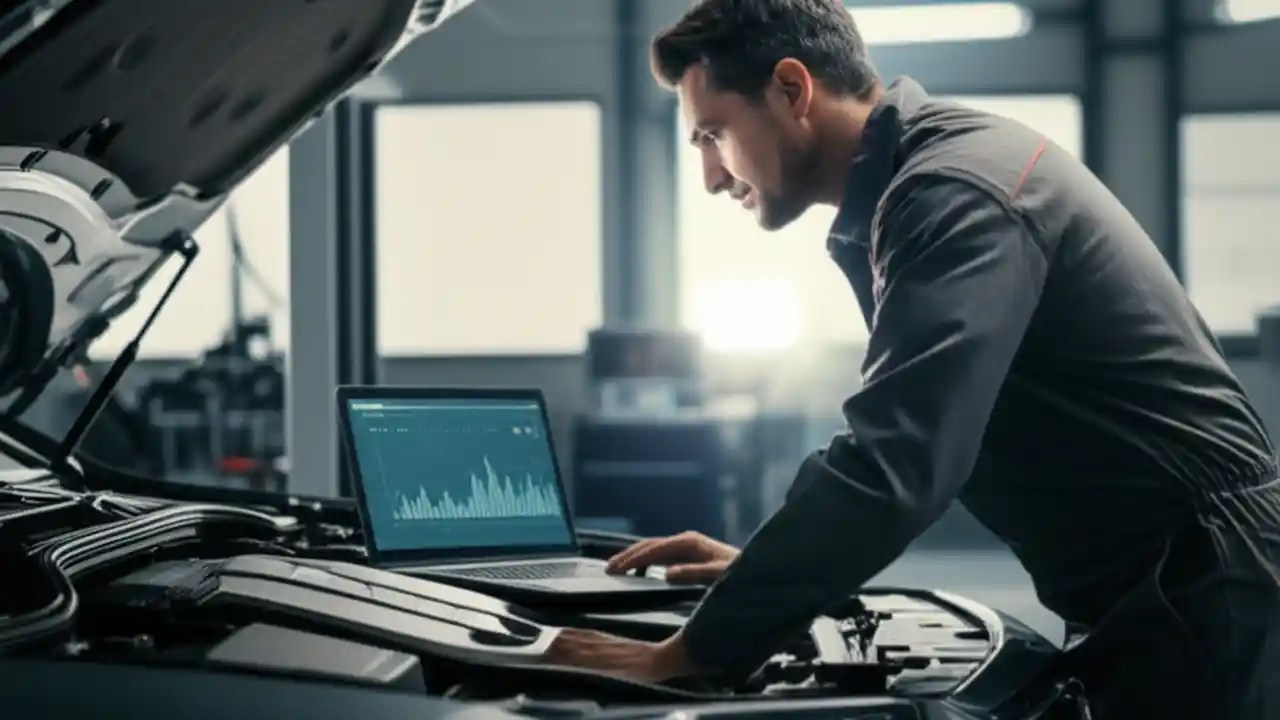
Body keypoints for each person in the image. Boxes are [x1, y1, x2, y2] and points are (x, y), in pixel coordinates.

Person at [544, 1, 1280, 717]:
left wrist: (688, 652)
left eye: (713, 133)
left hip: (1206, 583)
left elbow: (896, 462)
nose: (708, 175)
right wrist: (766, 573)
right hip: (1163, 578)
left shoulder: (952, 194)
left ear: (792, 90)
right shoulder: (923, 179)